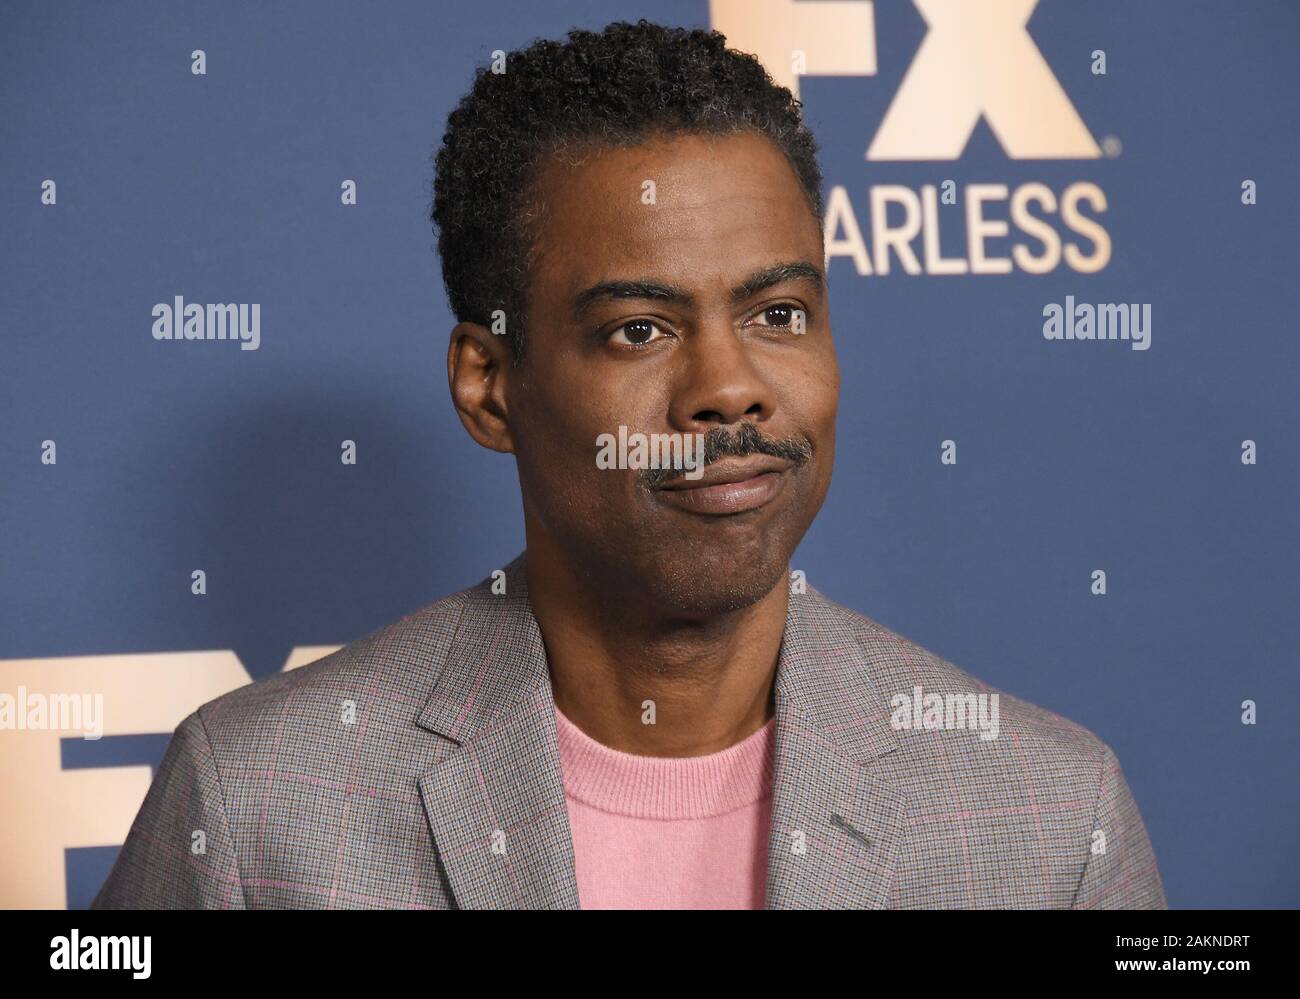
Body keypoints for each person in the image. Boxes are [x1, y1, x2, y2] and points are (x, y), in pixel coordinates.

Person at [93, 19, 1166, 910]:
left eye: (778, 313)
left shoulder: (1047, 820)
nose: (728, 389)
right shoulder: (257, 805)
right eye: (639, 330)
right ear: (488, 385)